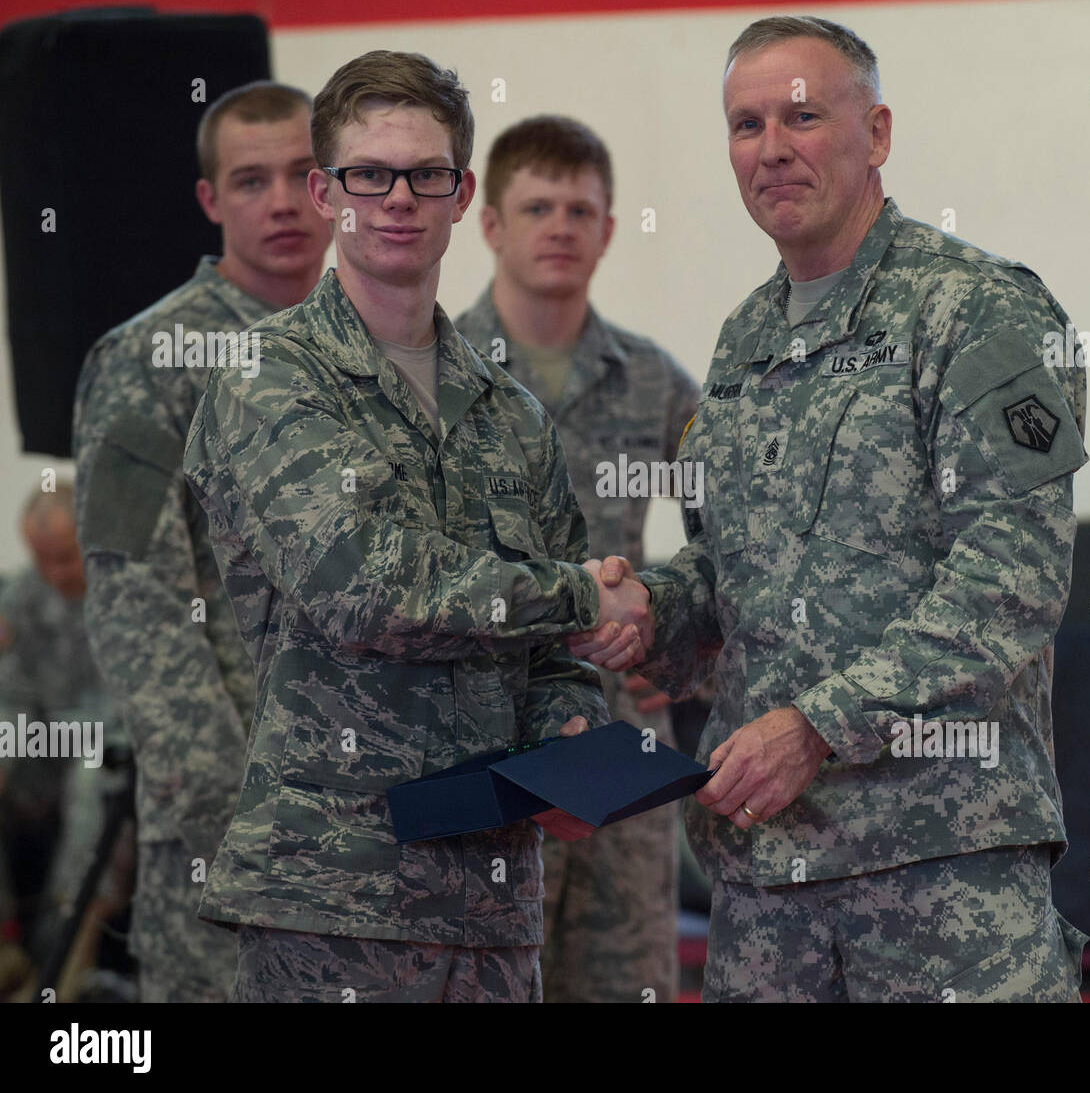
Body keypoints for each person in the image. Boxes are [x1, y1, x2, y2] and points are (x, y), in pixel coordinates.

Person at [572, 15, 1090, 1002]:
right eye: (746, 124)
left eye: (803, 116)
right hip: (769, 883)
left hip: (943, 871)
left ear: (877, 132)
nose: (772, 148)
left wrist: (815, 724)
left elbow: (1013, 577)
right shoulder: (741, 340)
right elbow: (731, 573)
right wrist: (648, 611)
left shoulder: (976, 310)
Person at [182, 51, 650, 1003]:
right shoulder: (269, 376)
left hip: (491, 910)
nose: (398, 198)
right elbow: (363, 587)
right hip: (332, 904)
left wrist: (569, 731)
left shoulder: (511, 411)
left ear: (459, 192)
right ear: (326, 192)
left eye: (426, 175)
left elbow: (559, 650)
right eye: (369, 175)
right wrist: (577, 593)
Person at [73, 81, 334, 1002]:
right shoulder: (150, 362)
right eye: (250, 179)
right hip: (234, 842)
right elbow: (138, 612)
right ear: (210, 201)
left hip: (383, 841)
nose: (280, 201)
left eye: (303, 174)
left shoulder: (382, 347)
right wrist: (238, 817)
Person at [454, 115, 699, 1003]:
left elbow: (737, 537)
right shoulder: (435, 378)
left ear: (607, 228)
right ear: (491, 225)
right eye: (537, 206)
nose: (560, 225)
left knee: (627, 982)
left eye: (580, 209)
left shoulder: (655, 379)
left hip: (624, 733)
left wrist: (688, 640)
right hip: (483, 730)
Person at [0, 483, 123, 978]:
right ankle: (6, 943)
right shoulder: (24, 598)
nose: (55, 574)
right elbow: (12, 697)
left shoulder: (131, 590)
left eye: (66, 559)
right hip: (47, 745)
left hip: (109, 750)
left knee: (91, 779)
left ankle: (63, 956)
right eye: (41, 559)